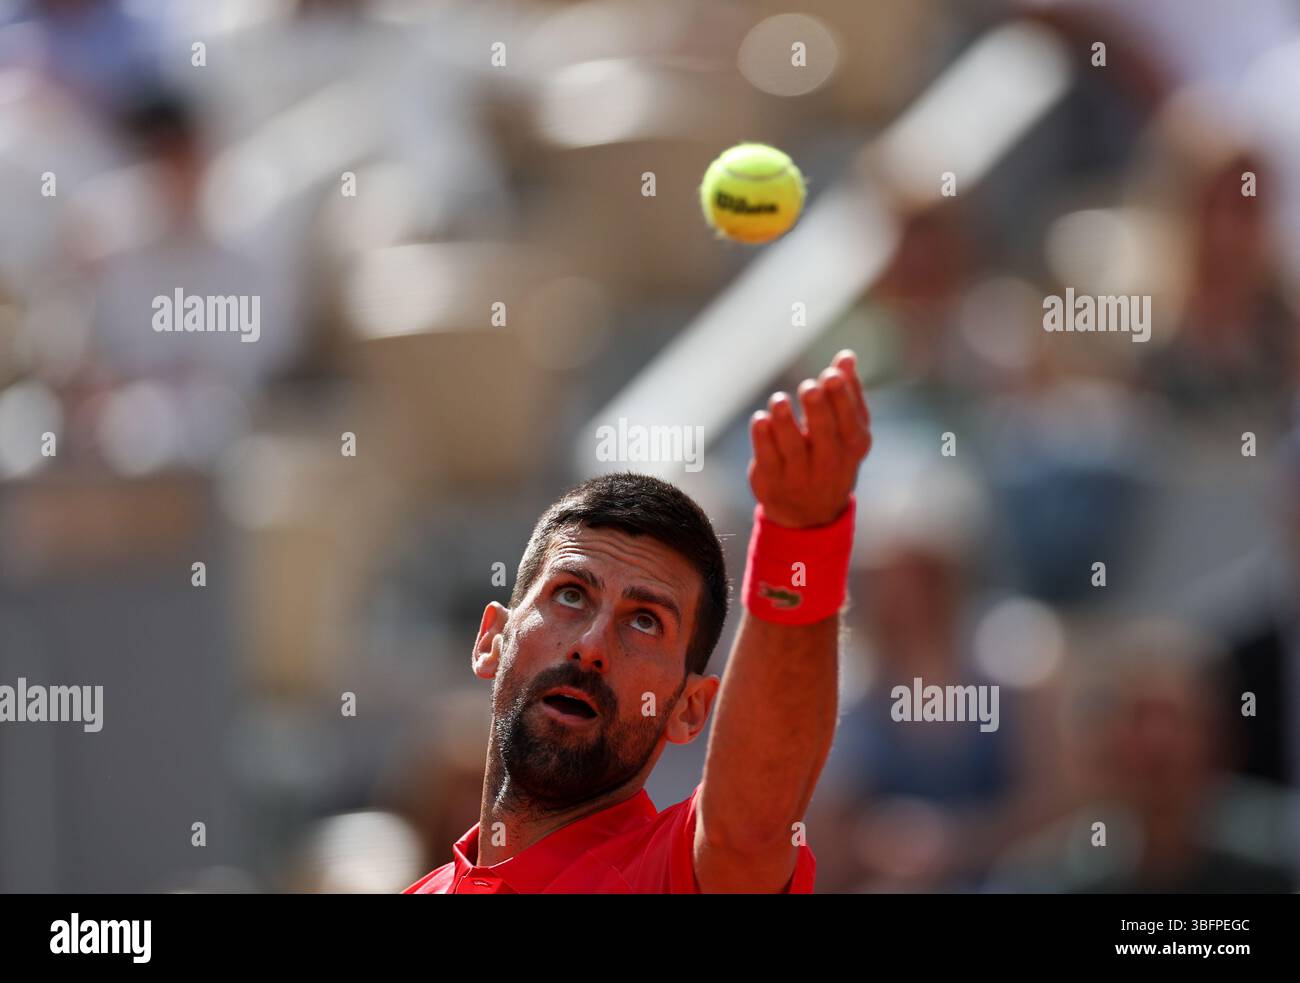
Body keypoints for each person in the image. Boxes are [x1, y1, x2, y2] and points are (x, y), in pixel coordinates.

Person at [403, 350, 872, 893]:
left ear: (690, 709)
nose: (591, 646)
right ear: (492, 639)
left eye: (645, 622)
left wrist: (802, 536)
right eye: (571, 595)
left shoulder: (675, 874)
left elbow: (750, 832)